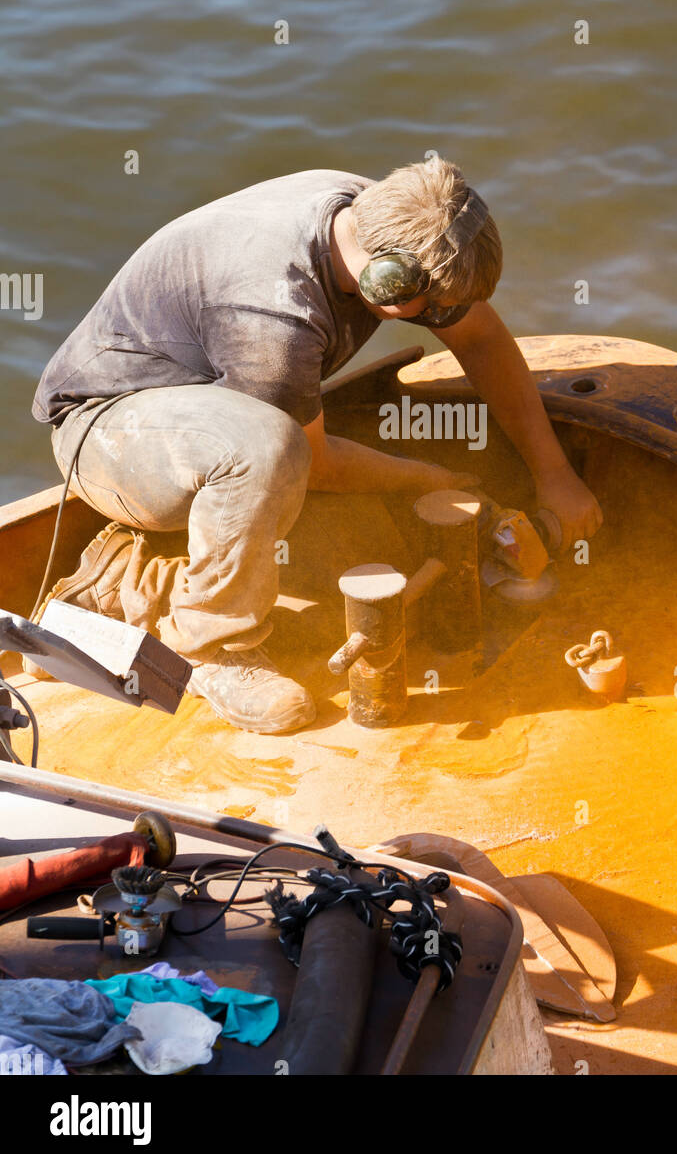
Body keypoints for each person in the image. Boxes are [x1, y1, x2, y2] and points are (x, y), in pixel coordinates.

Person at [31, 157, 602, 733]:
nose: (447, 320)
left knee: (342, 524)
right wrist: (428, 479)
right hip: (107, 430)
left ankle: (181, 559)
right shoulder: (274, 315)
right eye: (435, 310)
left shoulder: (379, 213)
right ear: (388, 281)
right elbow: (317, 462)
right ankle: (208, 642)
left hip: (206, 410)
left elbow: (480, 338)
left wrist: (554, 473)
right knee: (269, 447)